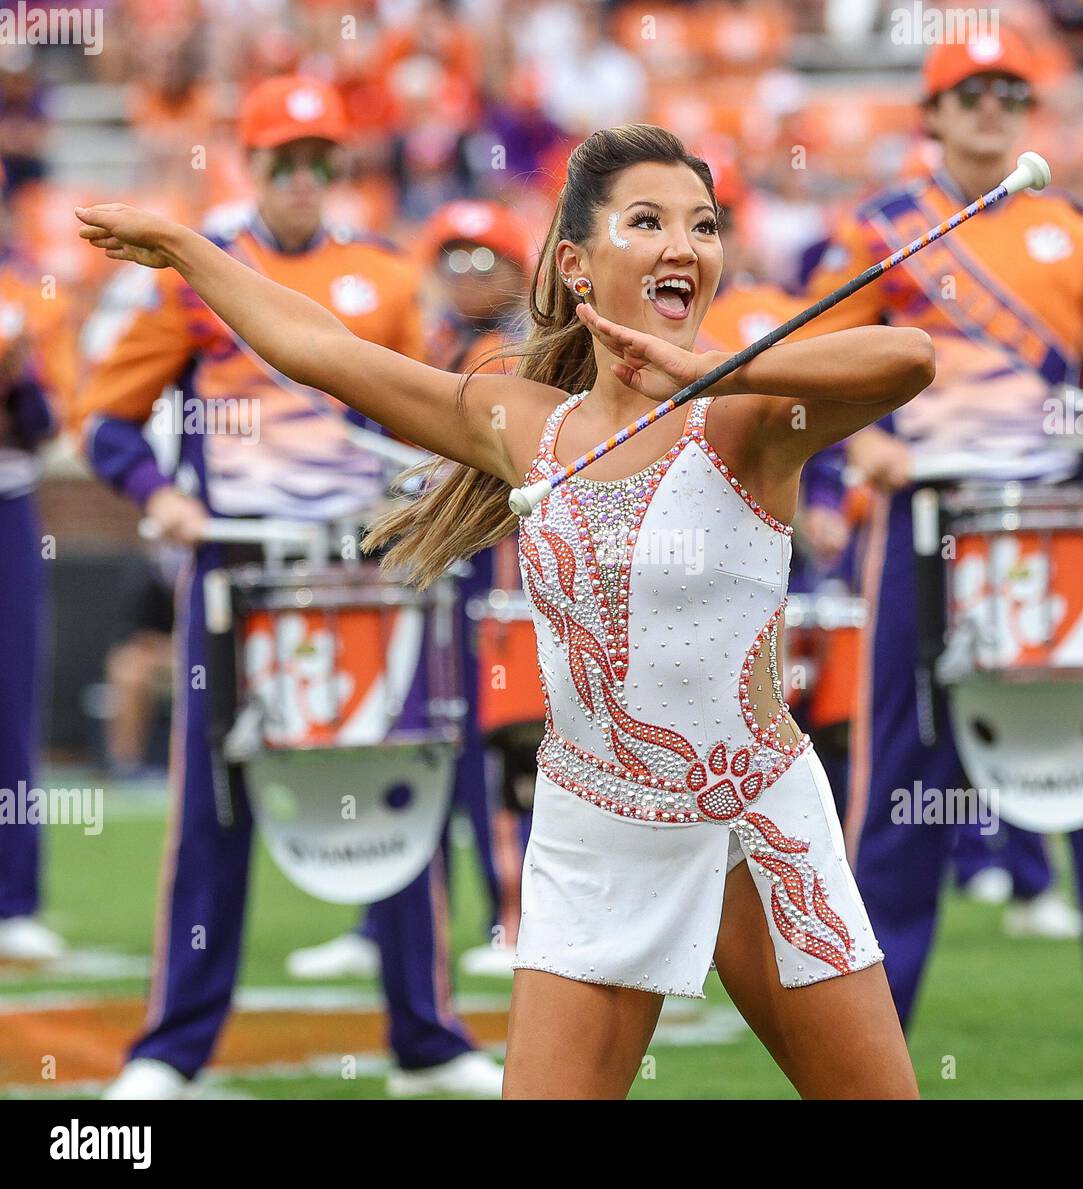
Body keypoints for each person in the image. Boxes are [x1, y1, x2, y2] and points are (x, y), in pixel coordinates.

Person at [78, 122, 935, 1099]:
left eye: (702, 226)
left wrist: (723, 371)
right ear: (578, 264)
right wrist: (190, 250)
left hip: (752, 823)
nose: (682, 245)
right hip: (591, 831)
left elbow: (906, 357)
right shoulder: (525, 425)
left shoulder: (746, 419)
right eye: (646, 220)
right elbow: (316, 348)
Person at [798, 33, 1083, 1083]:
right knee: (902, 777)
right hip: (927, 525)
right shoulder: (881, 226)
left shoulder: (1074, 232)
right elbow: (826, 370)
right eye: (967, 93)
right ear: (930, 114)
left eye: (1008, 93)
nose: (989, 108)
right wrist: (873, 443)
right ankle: (869, 1041)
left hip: (1058, 521)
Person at [74, 75, 500, 1099]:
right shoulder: (194, 273)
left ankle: (426, 1039)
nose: (304, 178)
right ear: (251, 164)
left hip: (366, 568)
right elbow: (105, 421)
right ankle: (171, 1048)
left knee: (403, 780)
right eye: (284, 160)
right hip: (239, 571)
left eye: (322, 159)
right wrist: (160, 498)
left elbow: (418, 413)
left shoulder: (386, 275)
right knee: (214, 807)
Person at [287, 198, 536, 982]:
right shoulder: (431, 341)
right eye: (453, 259)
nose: (467, 275)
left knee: (493, 755)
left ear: (516, 270)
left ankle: (513, 917)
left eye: (483, 258)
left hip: (490, 576)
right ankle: (386, 920)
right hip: (423, 574)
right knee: (403, 736)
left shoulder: (515, 353)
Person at [0, 176, 65, 962]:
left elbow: (46, 426)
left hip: (8, 505)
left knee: (9, 710)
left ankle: (14, 899)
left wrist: (15, 375)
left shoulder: (16, 298)